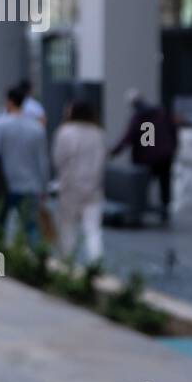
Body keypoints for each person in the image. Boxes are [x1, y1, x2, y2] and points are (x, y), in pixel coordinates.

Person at [0, 86, 50, 246]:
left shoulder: (0, 124)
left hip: (5, 184)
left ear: (9, 101)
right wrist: (44, 187)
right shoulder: (36, 128)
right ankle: (36, 264)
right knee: (31, 227)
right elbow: (43, 160)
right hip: (31, 185)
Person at [52, 100, 107, 264]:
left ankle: (67, 262)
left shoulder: (65, 132)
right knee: (93, 230)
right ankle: (95, 263)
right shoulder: (98, 133)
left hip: (70, 187)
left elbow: (58, 159)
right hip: (94, 189)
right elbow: (102, 160)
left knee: (67, 227)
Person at [111, 90, 178, 223]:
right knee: (165, 184)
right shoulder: (161, 113)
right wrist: (173, 147)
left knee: (143, 185)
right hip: (165, 156)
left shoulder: (139, 118)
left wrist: (114, 152)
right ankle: (165, 211)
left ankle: (141, 209)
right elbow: (173, 130)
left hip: (146, 159)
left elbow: (128, 137)